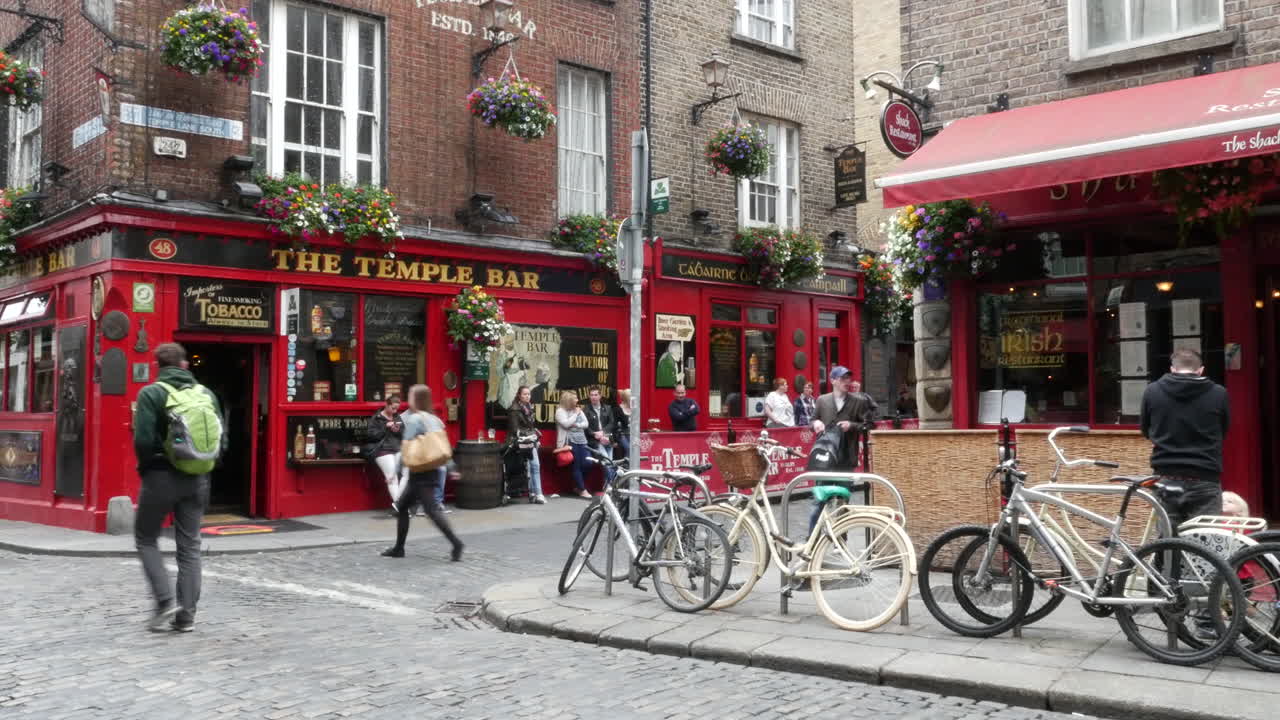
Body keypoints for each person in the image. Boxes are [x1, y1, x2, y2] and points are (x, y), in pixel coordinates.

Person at [133, 342, 224, 632]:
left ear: (158, 366)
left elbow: (144, 442)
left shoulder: (151, 393)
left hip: (160, 477)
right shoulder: (206, 394)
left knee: (146, 538)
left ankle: (164, 601)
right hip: (198, 478)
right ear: (185, 365)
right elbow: (222, 439)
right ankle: (186, 617)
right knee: (190, 546)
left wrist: (150, 467)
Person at [1140, 348, 1229, 529]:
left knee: (1167, 544)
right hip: (1205, 477)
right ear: (1201, 370)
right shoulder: (1219, 394)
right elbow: (1224, 430)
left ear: (1172, 369)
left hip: (1165, 476)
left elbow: (1145, 430)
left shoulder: (1152, 391)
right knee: (1205, 543)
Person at [381, 384, 464, 560]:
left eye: (410, 395)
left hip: (421, 473)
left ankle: (456, 543)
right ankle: (399, 548)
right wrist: (451, 468)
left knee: (431, 511)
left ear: (417, 399)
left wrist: (394, 472)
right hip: (430, 471)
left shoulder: (414, 420)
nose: (408, 399)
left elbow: (405, 447)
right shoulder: (434, 419)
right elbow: (442, 448)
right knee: (404, 507)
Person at [808, 366, 877, 530]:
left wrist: (851, 425)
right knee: (819, 501)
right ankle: (812, 538)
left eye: (848, 378)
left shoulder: (858, 401)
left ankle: (841, 539)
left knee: (843, 502)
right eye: (842, 378)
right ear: (833, 380)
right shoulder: (822, 400)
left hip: (846, 460)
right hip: (825, 459)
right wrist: (815, 423)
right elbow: (812, 421)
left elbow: (869, 424)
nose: (847, 381)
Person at [366, 394, 406, 512]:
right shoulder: (377, 418)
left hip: (397, 449)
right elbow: (371, 436)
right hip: (382, 450)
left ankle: (400, 503)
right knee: (392, 477)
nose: (394, 411)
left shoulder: (397, 417)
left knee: (404, 476)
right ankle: (401, 506)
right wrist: (385, 427)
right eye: (393, 408)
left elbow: (404, 434)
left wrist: (397, 430)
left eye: (397, 409)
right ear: (387, 405)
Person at [508, 385, 545, 504]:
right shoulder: (514, 409)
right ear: (519, 395)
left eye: (529, 394)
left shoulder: (529, 407)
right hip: (519, 441)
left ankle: (536, 493)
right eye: (524, 394)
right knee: (530, 466)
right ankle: (535, 493)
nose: (527, 396)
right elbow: (515, 429)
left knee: (534, 466)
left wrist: (535, 436)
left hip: (530, 439)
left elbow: (531, 426)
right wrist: (532, 434)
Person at [556, 390, 592, 498]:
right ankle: (582, 489)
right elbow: (566, 424)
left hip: (582, 439)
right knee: (576, 465)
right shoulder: (560, 411)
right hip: (569, 441)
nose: (577, 400)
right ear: (569, 400)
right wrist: (575, 415)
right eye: (575, 398)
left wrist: (576, 425)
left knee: (588, 463)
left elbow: (586, 424)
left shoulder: (578, 409)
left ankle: (578, 486)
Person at [584, 386, 617, 485]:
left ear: (600, 396)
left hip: (608, 438)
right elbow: (585, 427)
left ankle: (608, 486)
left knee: (610, 462)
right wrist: (595, 434)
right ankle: (613, 484)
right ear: (589, 396)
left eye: (596, 395)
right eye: (591, 395)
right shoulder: (586, 410)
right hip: (596, 441)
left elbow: (612, 423)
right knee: (607, 462)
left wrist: (603, 433)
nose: (593, 397)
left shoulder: (607, 408)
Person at [614, 389, 633, 460]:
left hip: (631, 433)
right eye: (630, 398)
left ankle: (630, 465)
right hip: (621, 434)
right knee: (628, 448)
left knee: (635, 449)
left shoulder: (633, 408)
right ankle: (626, 466)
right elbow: (615, 424)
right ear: (626, 399)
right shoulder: (618, 409)